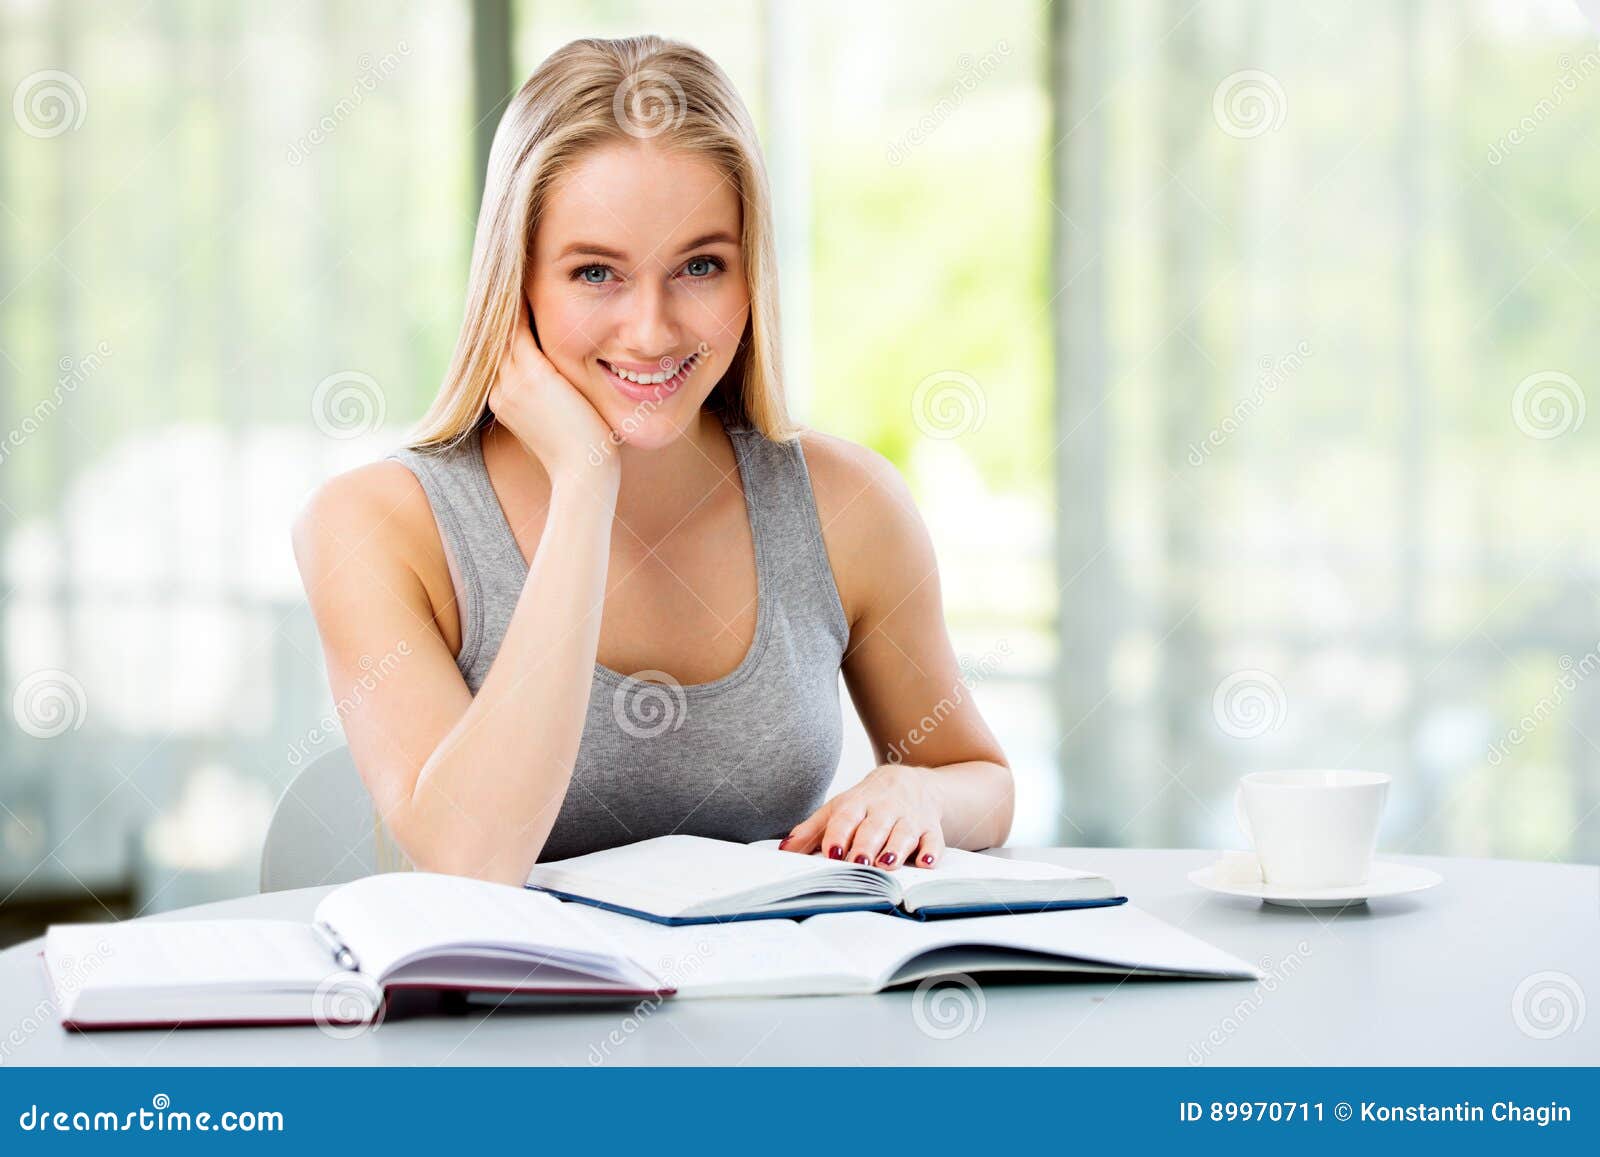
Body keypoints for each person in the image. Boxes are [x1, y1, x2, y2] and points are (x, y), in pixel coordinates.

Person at [291, 34, 1012, 887]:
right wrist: (585, 483)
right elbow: (472, 860)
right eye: (596, 272)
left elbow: (986, 784)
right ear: (516, 282)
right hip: (499, 1021)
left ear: (753, 276)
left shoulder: (846, 504)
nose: (653, 329)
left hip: (775, 1007)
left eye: (701, 265)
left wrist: (918, 792)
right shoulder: (374, 527)